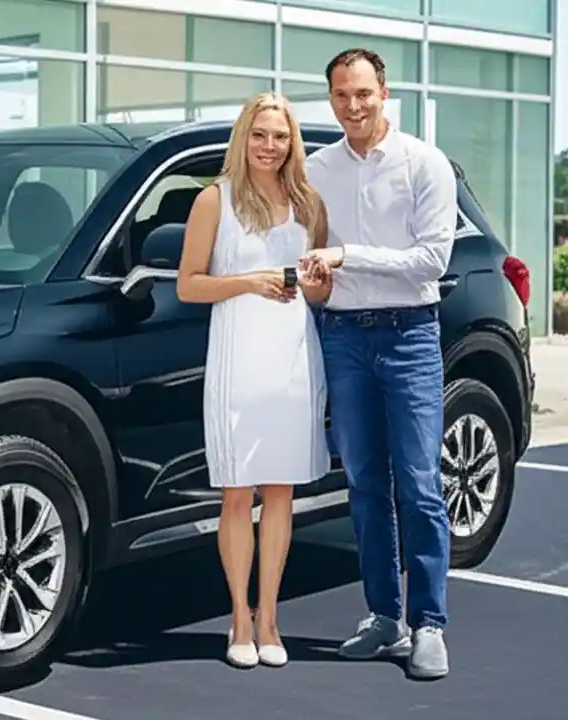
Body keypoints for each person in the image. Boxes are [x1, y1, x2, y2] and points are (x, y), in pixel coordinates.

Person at [298, 48, 456, 680]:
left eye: (363, 93)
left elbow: (430, 263)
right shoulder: (316, 169)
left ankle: (430, 625)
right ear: (331, 98)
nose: (353, 106)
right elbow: (311, 255)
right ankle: (384, 617)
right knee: (363, 484)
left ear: (384, 92)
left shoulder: (425, 163)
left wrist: (345, 256)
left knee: (418, 484)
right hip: (344, 337)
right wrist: (312, 273)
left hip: (410, 336)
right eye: (341, 95)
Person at [177, 92, 333, 669]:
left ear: (293, 143)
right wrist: (248, 281)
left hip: (292, 357)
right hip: (239, 357)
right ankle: (238, 618)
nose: (270, 146)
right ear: (243, 136)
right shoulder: (212, 201)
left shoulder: (308, 203)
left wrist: (315, 279)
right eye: (261, 134)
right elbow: (189, 285)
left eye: (281, 136)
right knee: (238, 492)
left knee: (282, 492)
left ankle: (271, 616)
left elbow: (320, 292)